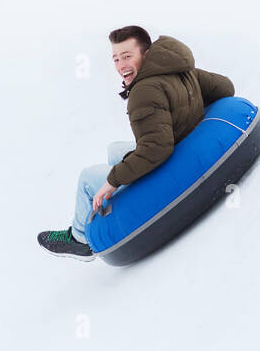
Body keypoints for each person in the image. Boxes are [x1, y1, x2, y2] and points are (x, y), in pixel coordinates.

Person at [37, 25, 235, 260]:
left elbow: (157, 149)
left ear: (146, 53)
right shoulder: (179, 68)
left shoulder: (144, 91)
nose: (121, 66)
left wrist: (113, 181)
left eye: (127, 56)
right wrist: (184, 101)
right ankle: (118, 181)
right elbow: (226, 88)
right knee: (114, 150)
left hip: (168, 162)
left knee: (88, 179)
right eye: (116, 59)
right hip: (181, 142)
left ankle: (79, 240)